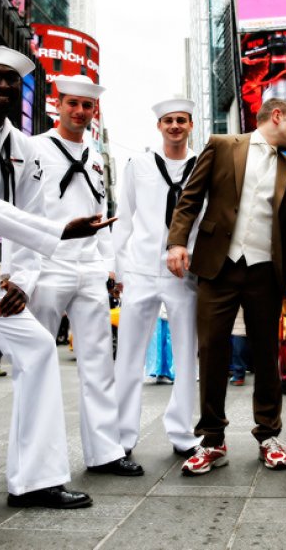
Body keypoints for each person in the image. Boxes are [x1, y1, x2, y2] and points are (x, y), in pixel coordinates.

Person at [0, 44, 113, 508]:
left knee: (38, 346)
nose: (4, 86)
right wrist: (59, 231)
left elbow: (30, 210)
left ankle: (34, 481)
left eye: (12, 79)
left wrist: (21, 280)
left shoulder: (21, 145)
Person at [4, 74, 143, 477]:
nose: (79, 112)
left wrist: (108, 267)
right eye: (72, 104)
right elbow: (18, 213)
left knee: (99, 363)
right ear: (57, 105)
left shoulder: (96, 156)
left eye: (87, 106)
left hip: (88, 270)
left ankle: (105, 452)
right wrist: (16, 272)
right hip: (46, 264)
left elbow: (100, 213)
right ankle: (34, 466)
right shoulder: (34, 148)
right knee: (36, 363)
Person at [167, 97, 286, 475]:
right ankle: (212, 440)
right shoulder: (222, 145)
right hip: (218, 267)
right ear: (276, 116)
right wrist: (178, 242)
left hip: (266, 272)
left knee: (266, 355)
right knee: (212, 352)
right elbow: (190, 199)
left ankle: (269, 436)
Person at [112, 97, 201, 460]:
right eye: (169, 121)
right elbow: (124, 216)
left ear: (191, 125)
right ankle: (121, 436)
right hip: (141, 270)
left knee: (186, 356)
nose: (175, 126)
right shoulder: (138, 164)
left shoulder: (203, 165)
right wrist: (117, 269)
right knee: (129, 356)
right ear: (159, 126)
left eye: (181, 120)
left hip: (185, 273)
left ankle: (182, 432)